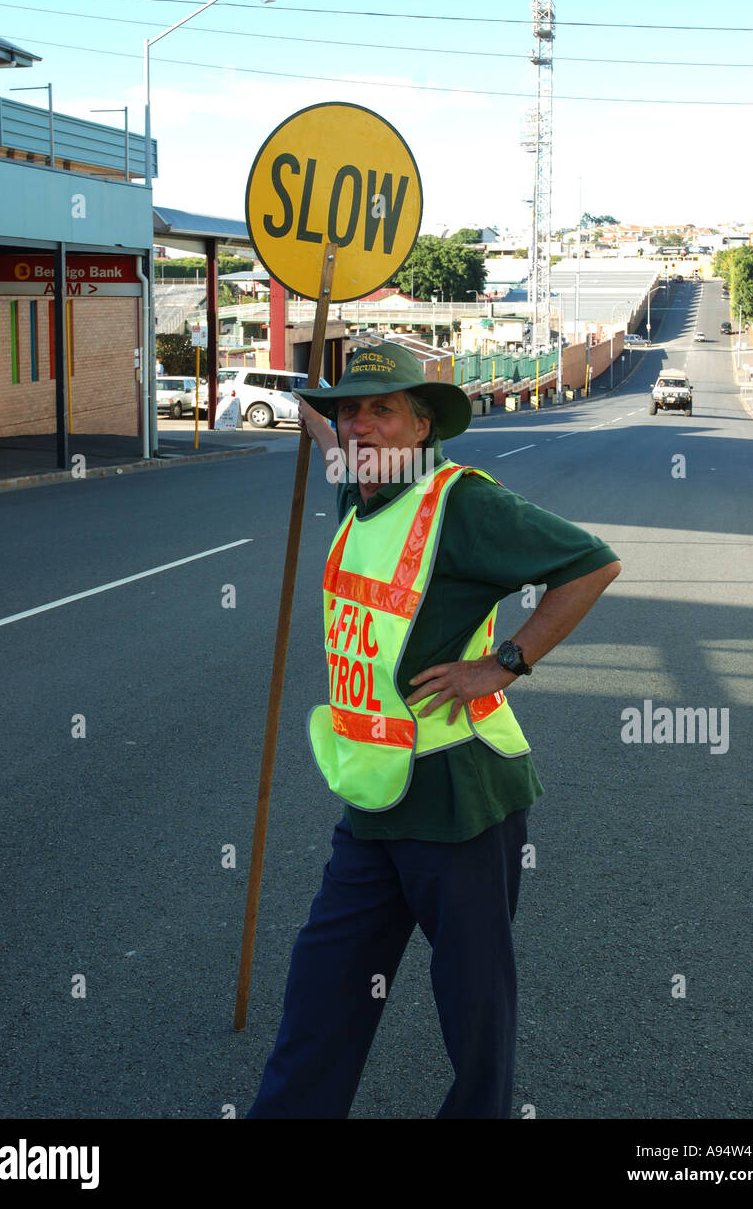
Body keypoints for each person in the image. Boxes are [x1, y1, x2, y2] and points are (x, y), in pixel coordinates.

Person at [245, 342, 621, 1120]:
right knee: (325, 982)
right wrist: (318, 419)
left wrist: (508, 661)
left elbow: (590, 563)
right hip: (377, 795)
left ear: (421, 427)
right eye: (352, 410)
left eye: (381, 410)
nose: (360, 426)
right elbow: (332, 443)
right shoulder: (364, 490)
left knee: (473, 1006)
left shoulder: (463, 504)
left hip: (459, 799)